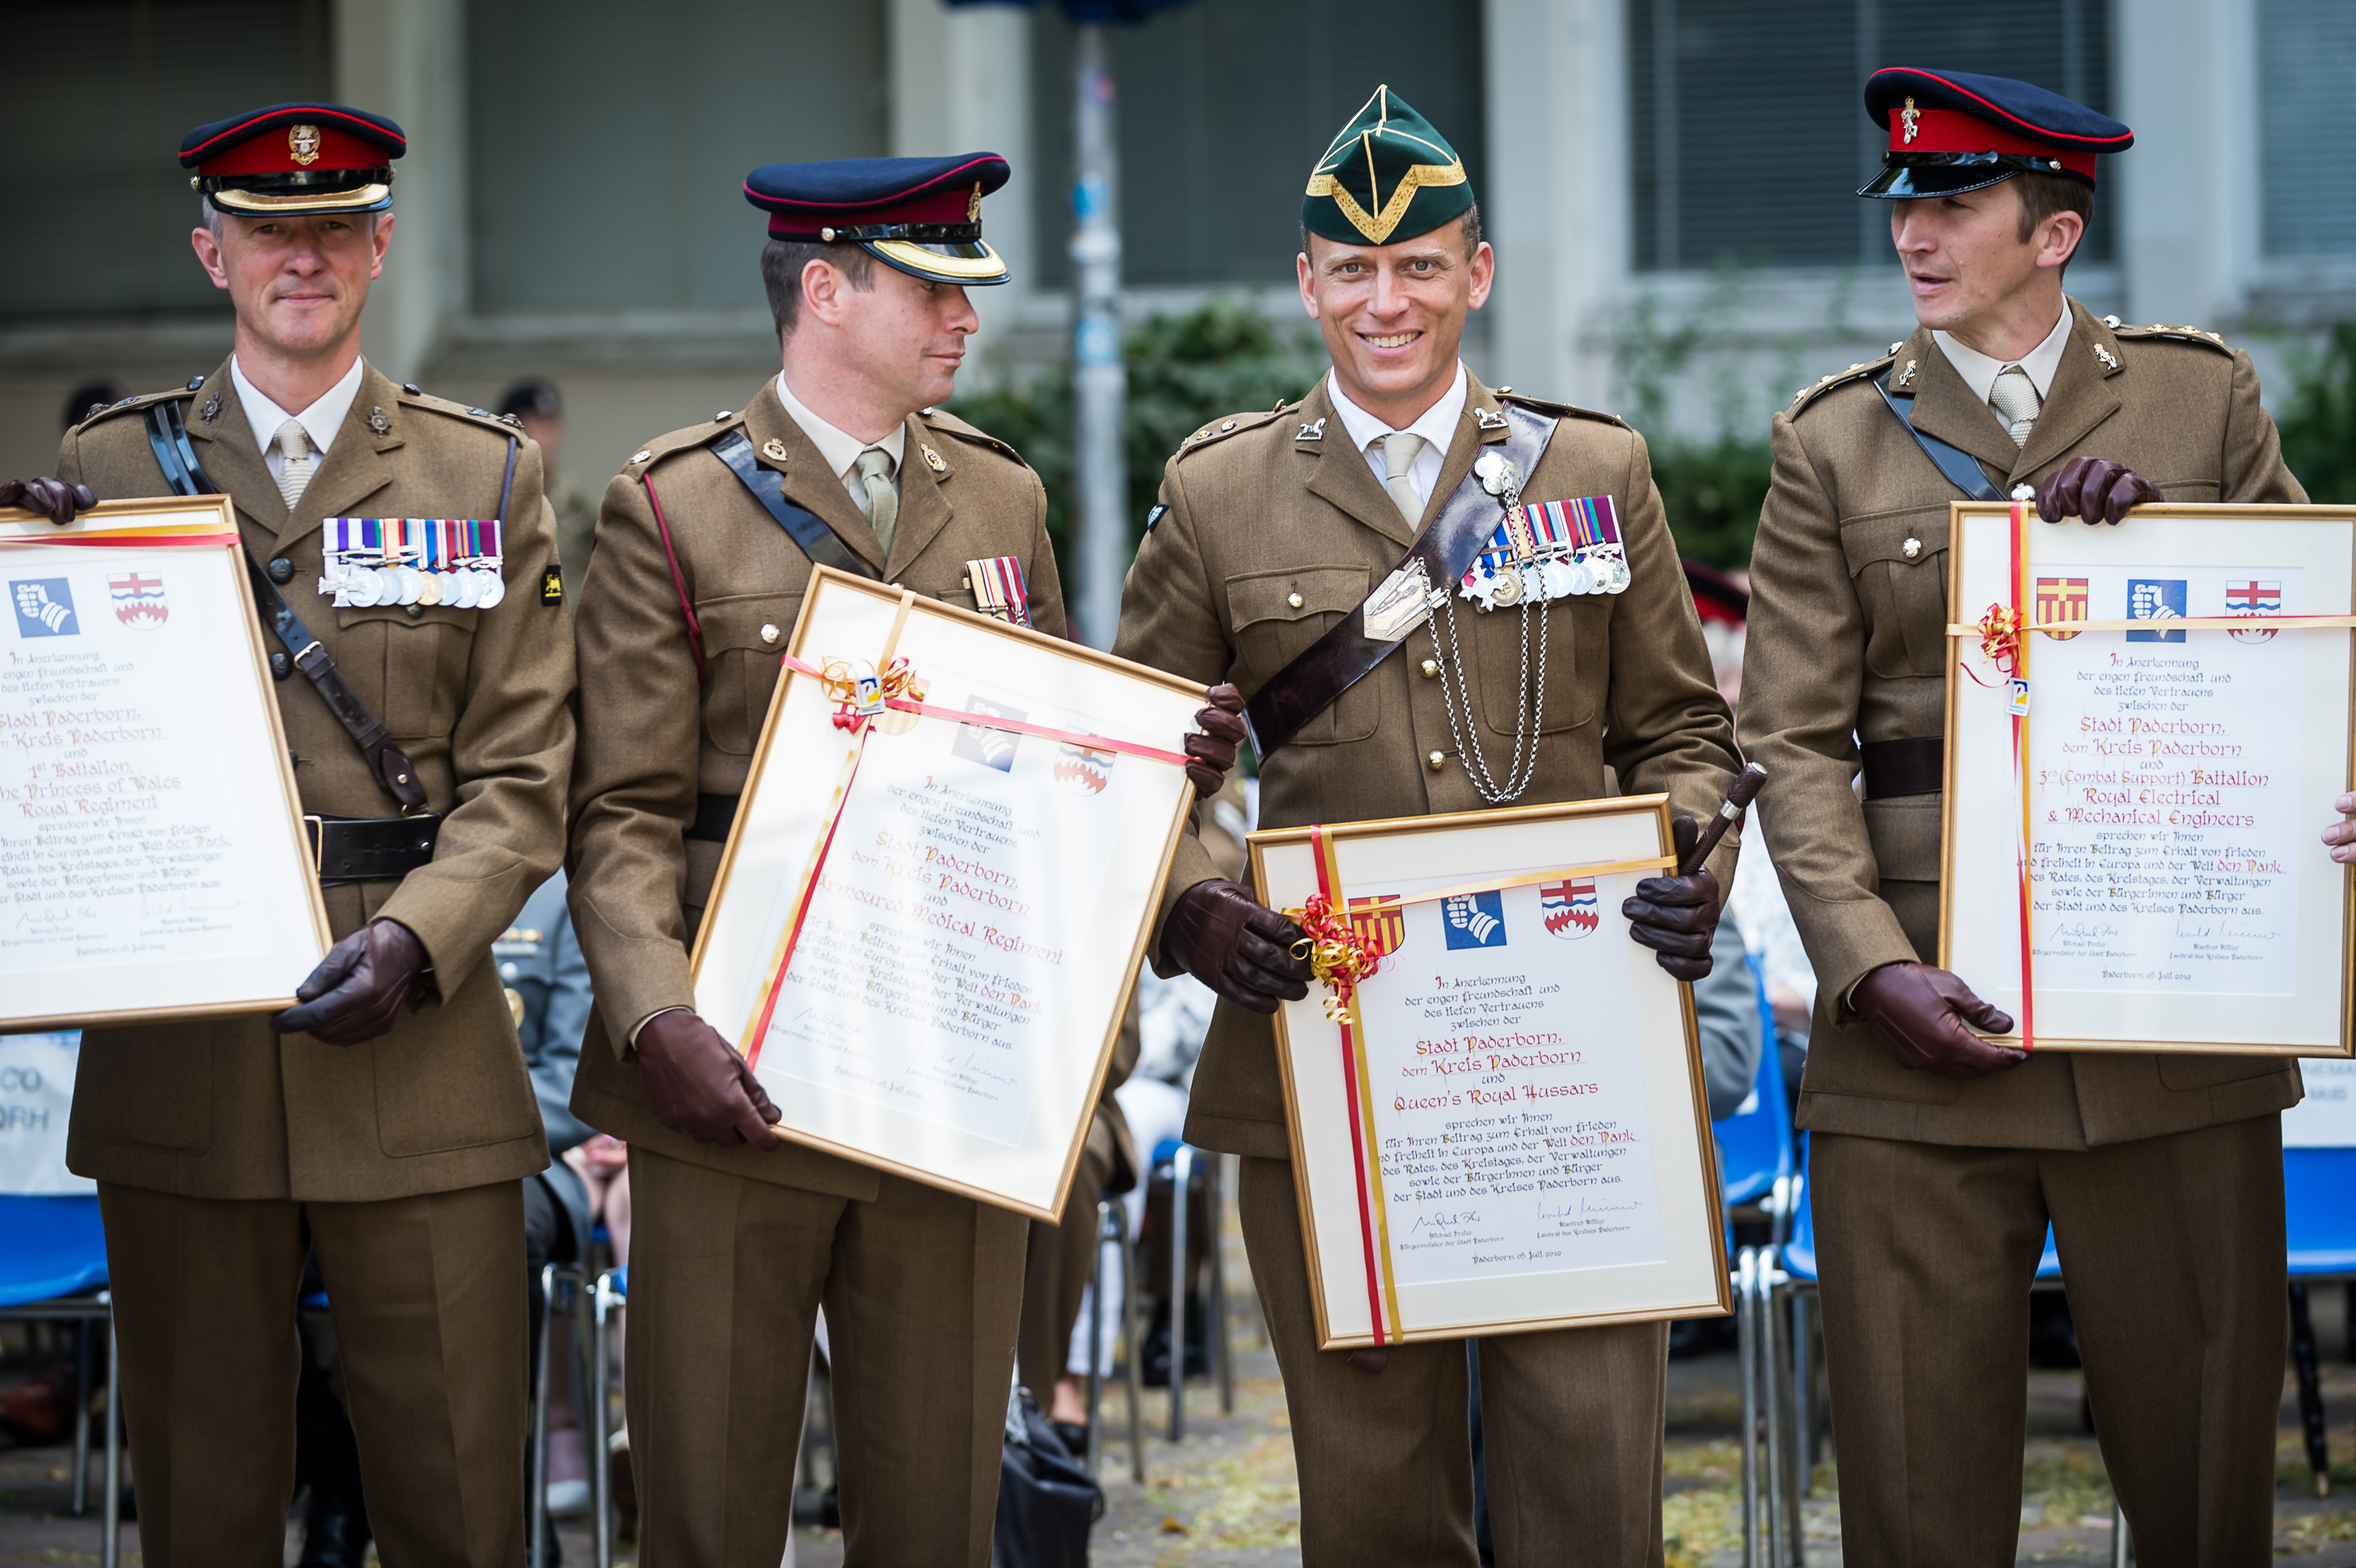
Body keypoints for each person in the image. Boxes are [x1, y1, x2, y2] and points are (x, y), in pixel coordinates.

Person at [562, 151, 1243, 1566]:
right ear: (825, 288)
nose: (965, 319)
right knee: (711, 1500)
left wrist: (1172, 815)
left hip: (952, 1066)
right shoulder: (671, 507)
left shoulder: (1000, 498)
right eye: (933, 286)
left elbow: (1064, 776)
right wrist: (655, 1013)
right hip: (729, 1070)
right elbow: (621, 813)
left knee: (936, 1503)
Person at [1109, 87, 1741, 1566]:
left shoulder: (1596, 471)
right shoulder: (1219, 493)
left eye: (1419, 267)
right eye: (1351, 270)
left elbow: (1683, 734)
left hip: (1575, 1056)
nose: (1384, 303)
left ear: (1480, 272)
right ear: (1309, 280)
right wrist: (1194, 904)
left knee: (1591, 1489)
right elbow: (1140, 760)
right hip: (1327, 1048)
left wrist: (1686, 856)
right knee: (1376, 1498)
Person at [1740, 67, 2320, 1561]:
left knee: (2205, 1490)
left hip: (2170, 1030)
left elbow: (2310, 654)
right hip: (1923, 1035)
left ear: (2055, 232)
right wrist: (1868, 970)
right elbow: (1791, 745)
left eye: (1955, 204)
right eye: (1905, 206)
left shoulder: (2201, 400)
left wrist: (2173, 560)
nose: (1915, 236)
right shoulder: (1832, 441)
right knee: (1918, 1498)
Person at [4, 102, 573, 1566]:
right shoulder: (113, 471)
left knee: (455, 1501)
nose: (300, 257)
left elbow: (525, 781)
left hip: (419, 1043)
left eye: (332, 228)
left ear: (380, 247)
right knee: (202, 1509)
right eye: (267, 232)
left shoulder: (486, 476)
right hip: (184, 1050)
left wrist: (420, 937)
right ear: (214, 254)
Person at [499, 378, 598, 593]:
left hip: (566, 619)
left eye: (547, 426)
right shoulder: (492, 496)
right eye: (529, 426)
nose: (540, 438)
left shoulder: (575, 500)